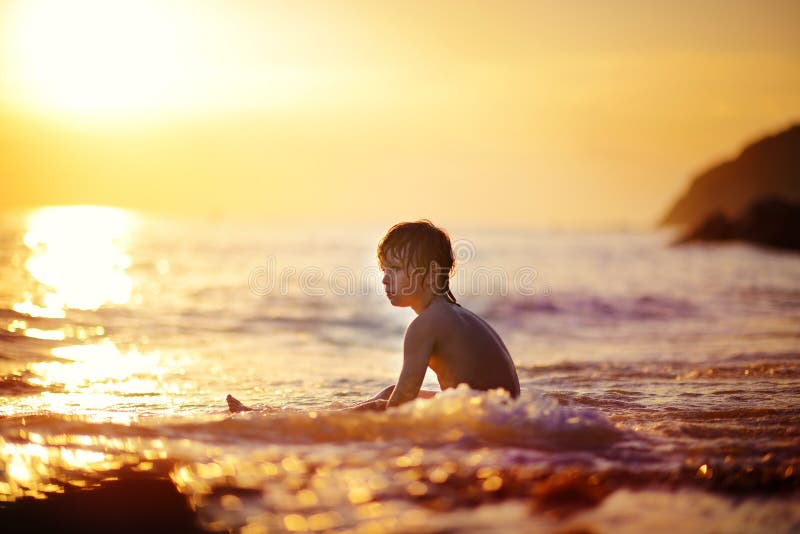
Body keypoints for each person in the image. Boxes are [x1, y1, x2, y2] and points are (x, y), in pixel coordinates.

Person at [227, 220, 520, 413]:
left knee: (382, 406)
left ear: (430, 273)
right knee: (388, 392)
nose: (384, 280)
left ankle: (278, 422)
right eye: (384, 271)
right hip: (504, 411)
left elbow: (399, 408)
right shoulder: (455, 315)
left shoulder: (426, 325)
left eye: (395, 270)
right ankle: (286, 417)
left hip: (490, 418)